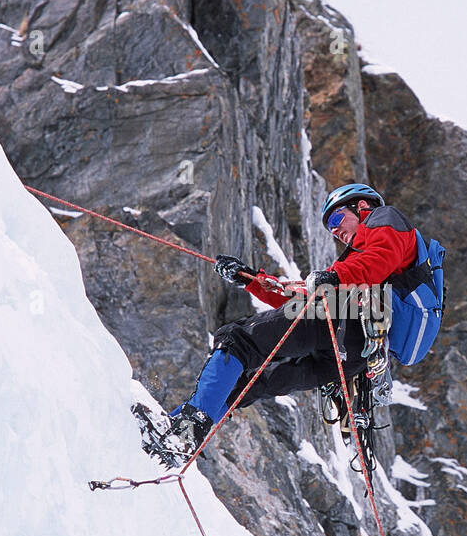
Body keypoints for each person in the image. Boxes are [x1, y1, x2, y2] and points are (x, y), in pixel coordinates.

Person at [169, 182, 420, 453]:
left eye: (336, 219)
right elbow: (304, 298)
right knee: (254, 382)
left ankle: (188, 426)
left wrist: (335, 278)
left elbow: (379, 258)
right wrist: (250, 279)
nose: (336, 231)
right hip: (352, 357)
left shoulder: (384, 219)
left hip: (344, 322)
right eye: (330, 230)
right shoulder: (353, 266)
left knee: (238, 340)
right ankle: (183, 439)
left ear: (361, 207)